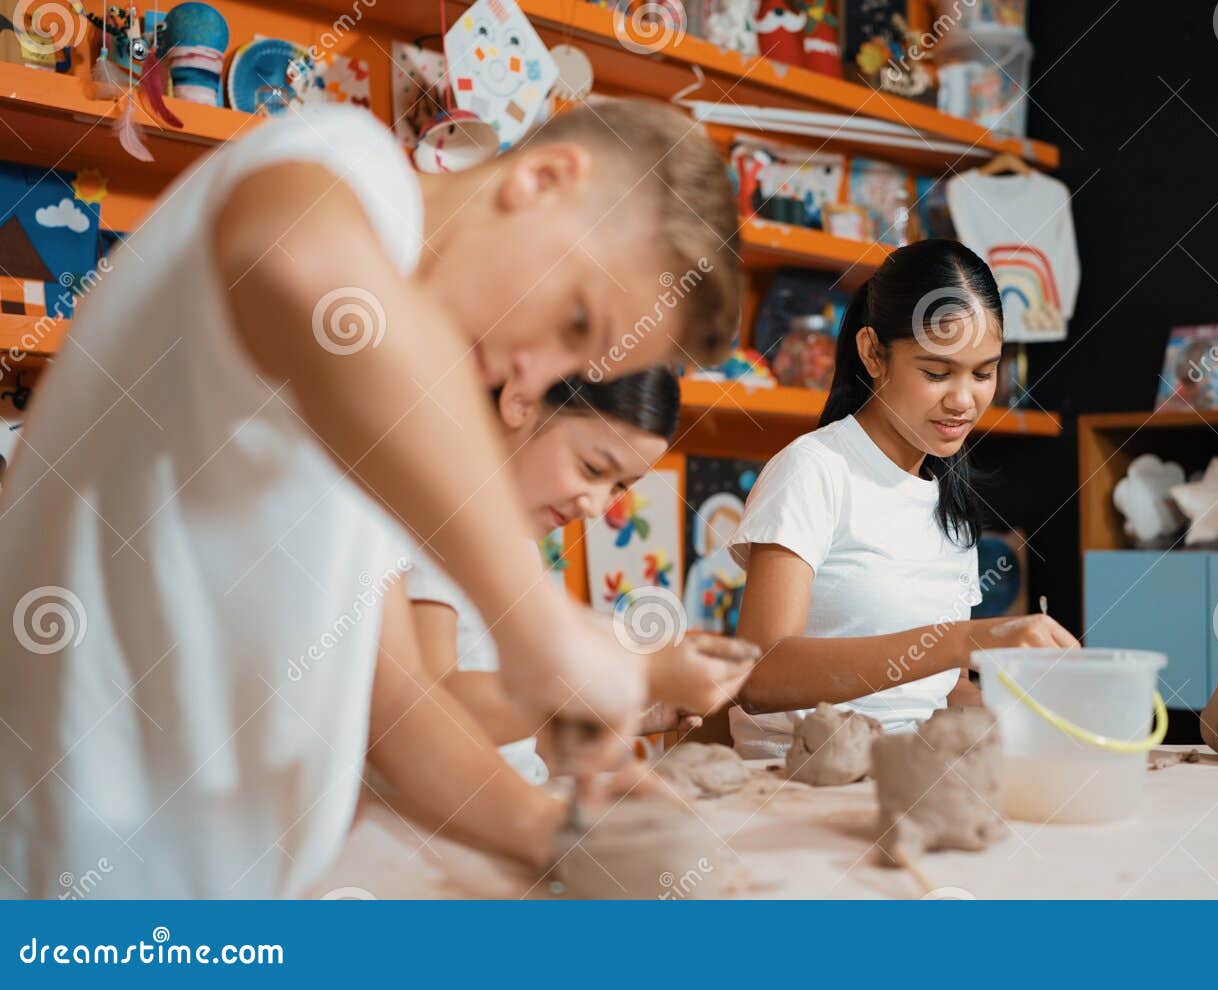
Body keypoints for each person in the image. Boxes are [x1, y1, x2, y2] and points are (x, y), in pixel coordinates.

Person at [0, 98, 741, 897]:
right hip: (76, 885)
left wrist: (561, 835)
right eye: (573, 319)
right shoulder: (350, 164)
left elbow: (398, 708)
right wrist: (539, 625)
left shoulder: (375, 421)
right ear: (543, 178)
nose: (532, 374)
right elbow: (296, 263)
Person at [365, 369, 754, 867]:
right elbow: (425, 709)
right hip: (430, 833)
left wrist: (619, 713)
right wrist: (632, 674)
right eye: (593, 468)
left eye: (620, 487)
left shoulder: (519, 546)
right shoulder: (437, 522)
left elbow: (519, 745)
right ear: (522, 403)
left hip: (501, 809)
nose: (595, 506)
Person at [728, 240, 1080, 758]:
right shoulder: (814, 471)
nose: (964, 400)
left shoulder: (949, 506)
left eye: (984, 372)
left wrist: (1029, 721)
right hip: (803, 782)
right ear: (873, 353)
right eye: (937, 373)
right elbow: (758, 676)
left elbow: (937, 692)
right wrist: (963, 639)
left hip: (912, 774)